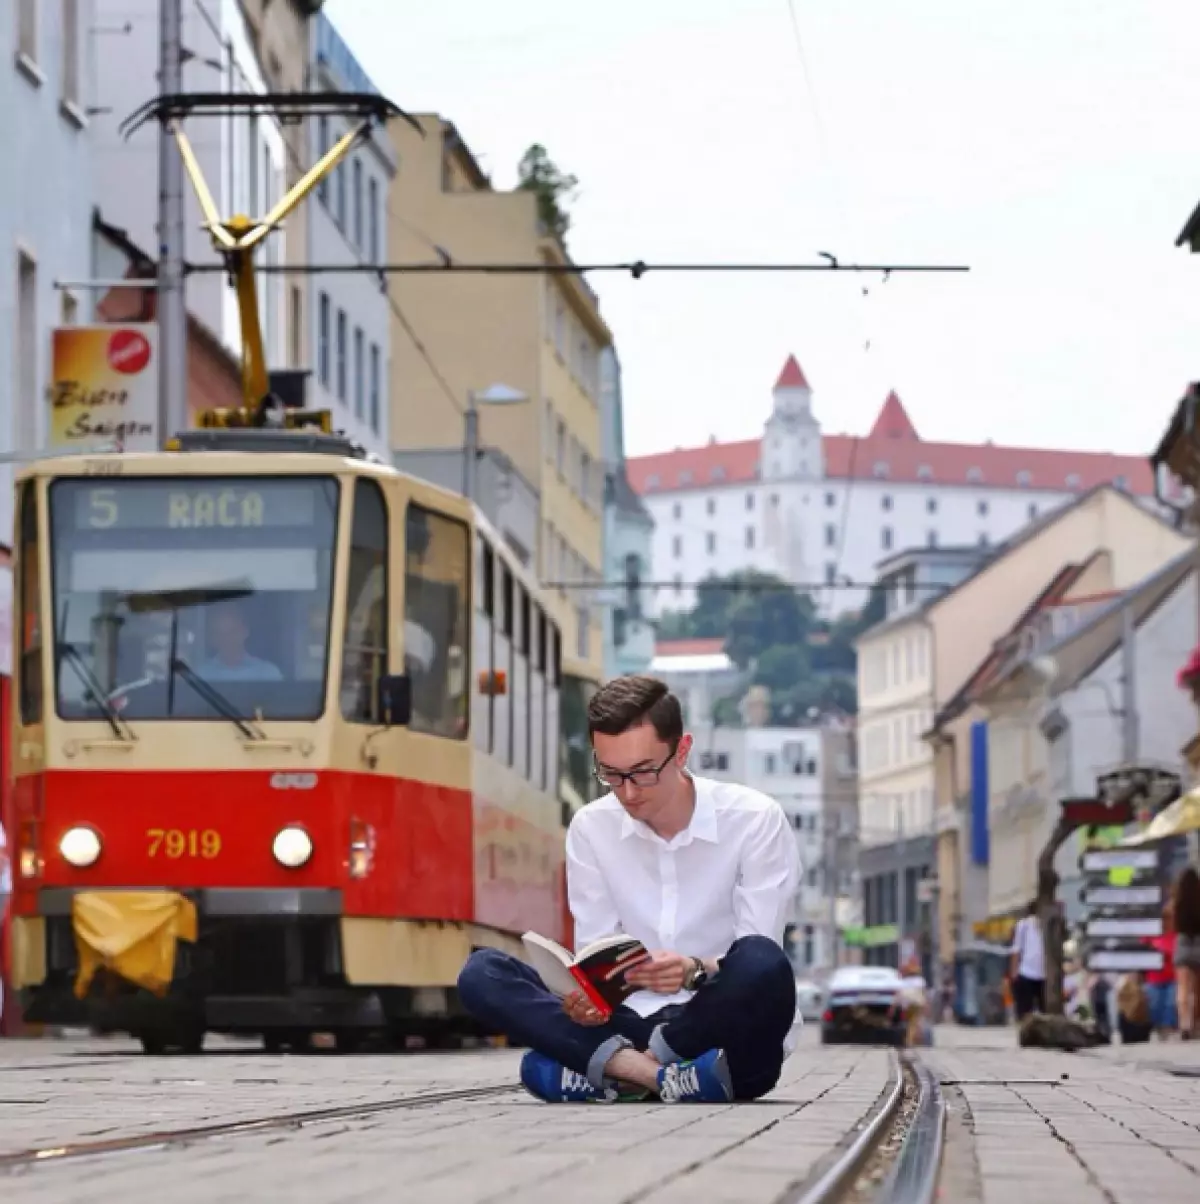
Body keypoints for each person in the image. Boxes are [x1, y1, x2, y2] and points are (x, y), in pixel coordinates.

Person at [456, 675, 801, 1105]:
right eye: (611, 774)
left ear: (682, 751)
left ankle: (611, 1071)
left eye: (642, 772)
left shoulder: (754, 819)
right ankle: (653, 1076)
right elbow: (596, 950)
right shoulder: (590, 828)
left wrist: (692, 970)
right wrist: (585, 999)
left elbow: (759, 953)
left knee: (764, 962)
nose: (628, 792)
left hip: (721, 1037)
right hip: (629, 1023)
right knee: (482, 972)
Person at [196, 599, 282, 683]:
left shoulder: (268, 674)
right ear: (213, 638)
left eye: (232, 631)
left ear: (245, 631)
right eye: (220, 633)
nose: (227, 639)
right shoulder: (202, 675)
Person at [1172, 866, 1200, 1040]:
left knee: (1183, 988)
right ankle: (1195, 1024)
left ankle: (1184, 1023)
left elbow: (1173, 924)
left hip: (1183, 943)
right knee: (1197, 990)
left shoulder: (1177, 902)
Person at [1144, 899, 1178, 1040]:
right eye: (1164, 918)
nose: (1166, 921)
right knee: (1155, 1005)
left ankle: (1168, 1029)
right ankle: (1158, 1028)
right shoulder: (1151, 934)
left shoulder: (1177, 935)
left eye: (1169, 917)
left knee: (1170, 1004)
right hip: (1154, 978)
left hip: (1173, 977)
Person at [1009, 902, 1046, 1020]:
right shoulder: (1024, 925)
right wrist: (1014, 973)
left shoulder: (1050, 925)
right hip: (1026, 973)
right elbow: (1016, 949)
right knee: (1025, 1010)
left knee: (1042, 1011)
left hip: (1044, 976)